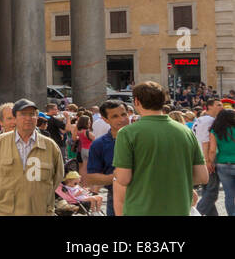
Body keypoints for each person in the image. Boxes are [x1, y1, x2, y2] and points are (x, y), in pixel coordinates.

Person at [113, 81, 207, 216]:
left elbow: (123, 178)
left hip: (141, 210)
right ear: (164, 101)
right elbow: (202, 177)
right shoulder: (185, 131)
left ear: (136, 101)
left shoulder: (127, 133)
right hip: (179, 209)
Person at [0, 98, 62, 216]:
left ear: (37, 118)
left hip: (39, 210)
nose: (28, 118)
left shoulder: (50, 145)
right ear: (15, 118)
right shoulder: (1, 142)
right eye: (23, 114)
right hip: (7, 211)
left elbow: (57, 177)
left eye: (32, 114)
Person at [82, 99, 128, 217]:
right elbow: (92, 177)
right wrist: (118, 178)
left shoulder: (144, 139)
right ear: (105, 119)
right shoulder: (99, 144)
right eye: (115, 116)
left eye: (124, 114)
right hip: (115, 197)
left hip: (146, 196)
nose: (121, 119)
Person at [201, 107, 235, 217]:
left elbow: (212, 150)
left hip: (222, 164)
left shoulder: (215, 130)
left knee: (229, 194)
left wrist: (210, 162)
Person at [194, 98, 226, 216]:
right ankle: (197, 213)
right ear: (209, 106)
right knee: (212, 192)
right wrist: (208, 161)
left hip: (200, 157)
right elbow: (205, 142)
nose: (221, 107)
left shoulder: (200, 119)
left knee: (208, 190)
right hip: (206, 158)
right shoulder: (210, 120)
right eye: (218, 105)